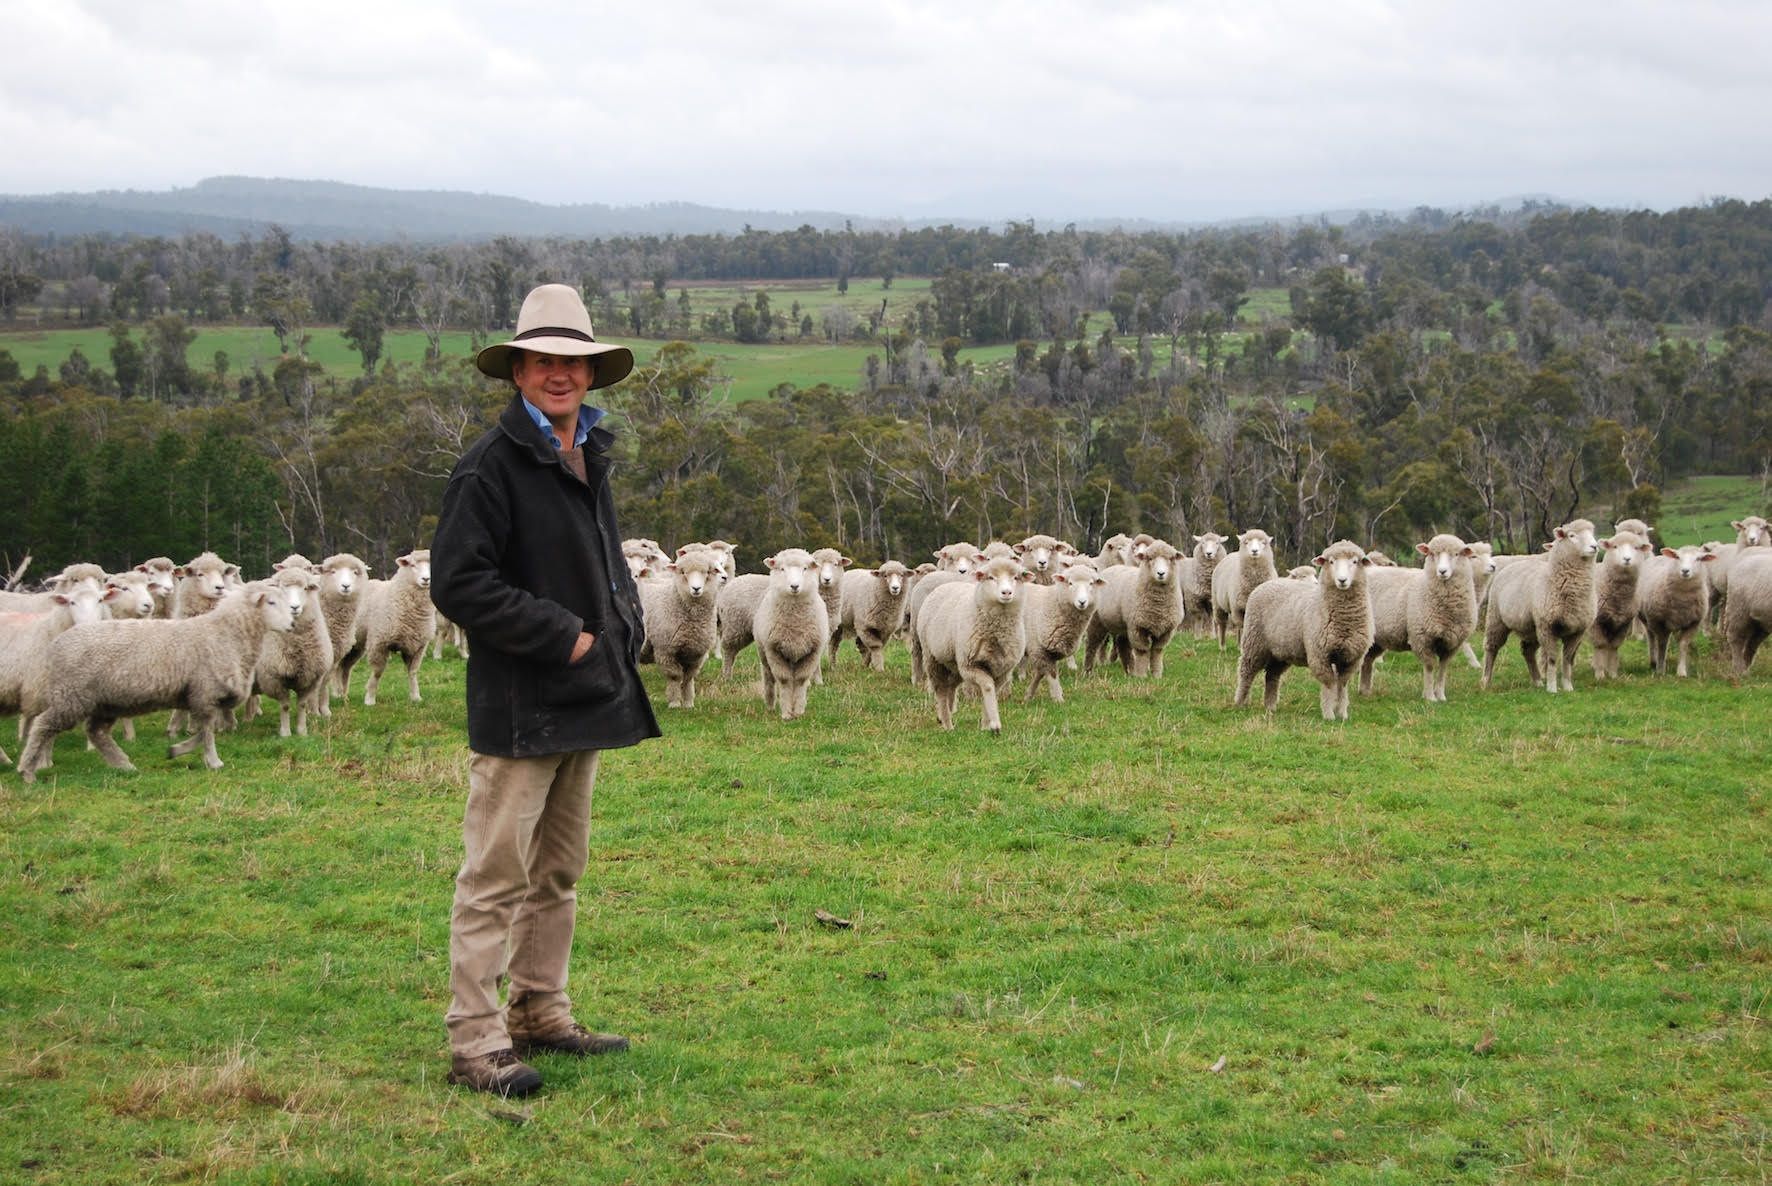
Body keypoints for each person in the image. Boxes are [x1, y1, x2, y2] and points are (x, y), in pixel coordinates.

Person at [430, 283, 660, 1097]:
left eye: (573, 363)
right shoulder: (489, 469)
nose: (559, 375)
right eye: (543, 361)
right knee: (495, 872)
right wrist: (566, 635)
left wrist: (623, 620)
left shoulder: (586, 452)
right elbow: (459, 584)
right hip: (523, 704)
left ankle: (539, 1007)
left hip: (584, 696)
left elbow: (600, 558)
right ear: (518, 370)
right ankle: (475, 1038)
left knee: (559, 868)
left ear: (591, 375)